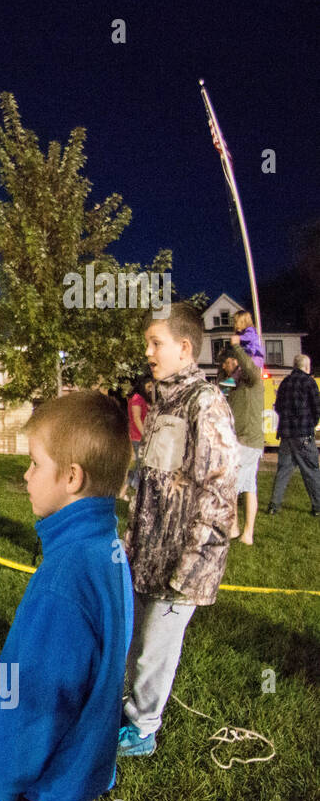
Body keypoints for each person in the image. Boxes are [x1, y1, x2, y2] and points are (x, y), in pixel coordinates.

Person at [0, 392, 133, 801]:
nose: (25, 475)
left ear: (72, 477)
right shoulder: (104, 544)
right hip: (70, 759)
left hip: (45, 778)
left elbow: (43, 697)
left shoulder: (67, 575)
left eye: (34, 464)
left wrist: (8, 775)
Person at [119, 303, 237, 757]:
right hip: (148, 556)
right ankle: (130, 709)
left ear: (184, 348)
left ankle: (143, 729)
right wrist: (132, 544)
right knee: (135, 644)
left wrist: (190, 568)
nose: (147, 351)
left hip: (180, 564)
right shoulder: (163, 401)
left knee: (155, 651)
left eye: (156, 343)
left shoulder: (204, 403)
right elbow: (150, 486)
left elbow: (220, 491)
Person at [221, 334, 265, 545]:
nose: (224, 365)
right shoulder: (236, 384)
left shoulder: (252, 379)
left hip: (247, 440)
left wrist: (237, 347)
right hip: (245, 440)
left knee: (233, 484)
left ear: (237, 362)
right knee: (248, 486)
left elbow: (249, 367)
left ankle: (236, 528)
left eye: (228, 362)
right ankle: (245, 532)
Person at [266, 353, 320, 517]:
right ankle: (317, 506)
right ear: (306, 366)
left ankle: (274, 506)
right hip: (303, 434)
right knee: (311, 470)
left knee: (283, 470)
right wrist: (311, 423)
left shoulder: (285, 382)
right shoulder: (309, 382)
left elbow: (278, 407)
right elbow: (317, 407)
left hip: (286, 435)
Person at [124, 378, 153, 497]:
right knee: (140, 465)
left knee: (138, 465)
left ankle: (125, 491)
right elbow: (136, 418)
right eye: (149, 386)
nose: (150, 389)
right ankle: (134, 491)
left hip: (137, 436)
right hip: (138, 437)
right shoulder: (137, 398)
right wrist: (145, 435)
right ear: (143, 384)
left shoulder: (138, 398)